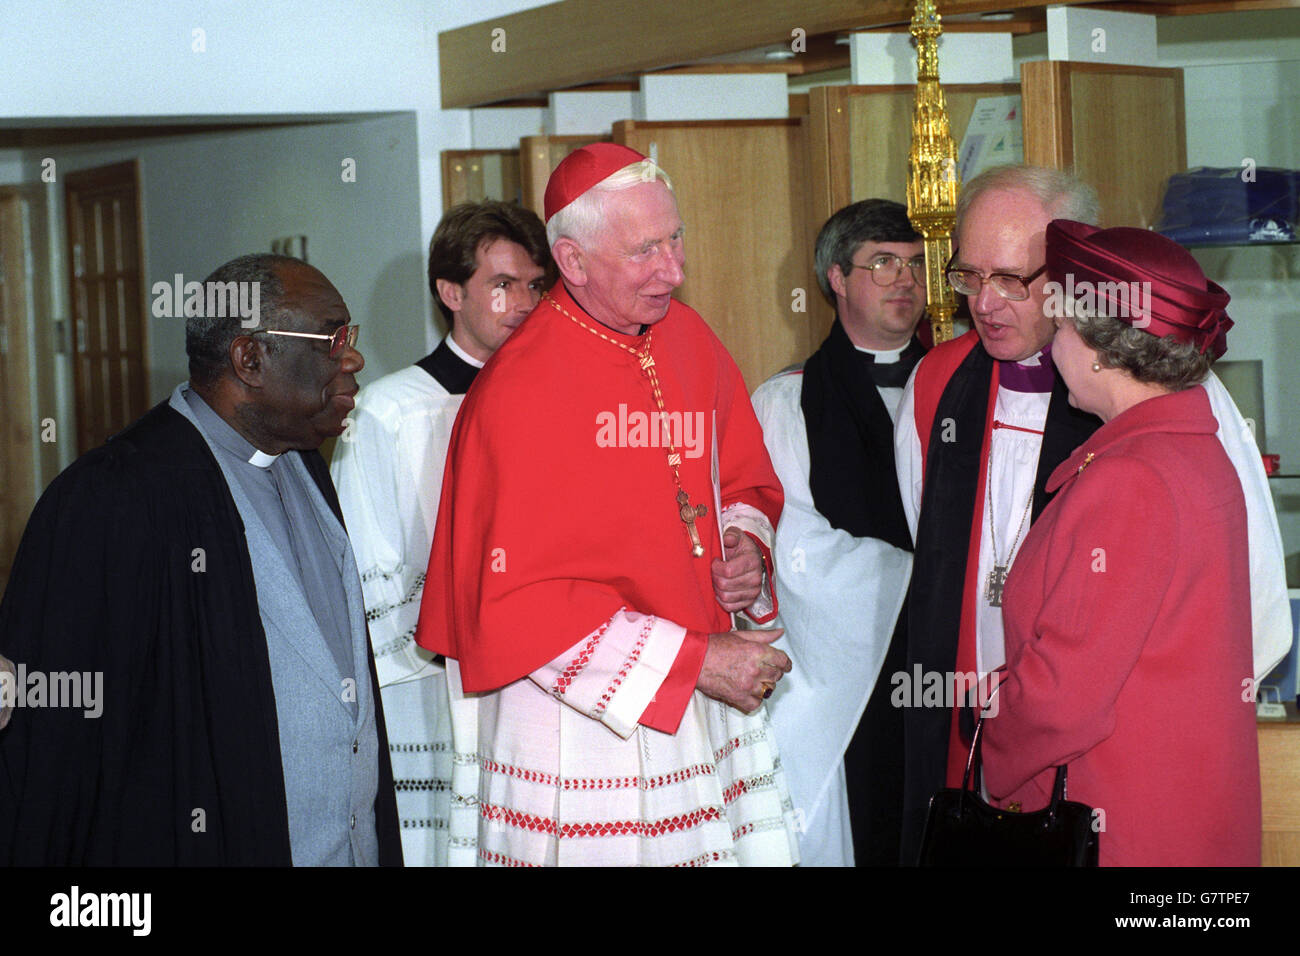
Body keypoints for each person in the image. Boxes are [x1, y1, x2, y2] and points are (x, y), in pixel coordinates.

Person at [416, 142, 799, 867]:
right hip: (578, 728)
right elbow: (518, 604)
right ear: (572, 259)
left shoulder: (688, 337)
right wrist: (692, 663)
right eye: (645, 250)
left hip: (700, 704)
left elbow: (739, 481)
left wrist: (744, 547)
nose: (675, 270)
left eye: (676, 238)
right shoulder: (518, 391)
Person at [894, 163, 1289, 864]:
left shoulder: (1139, 465)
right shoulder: (938, 386)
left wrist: (1005, 742)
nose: (985, 301)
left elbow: (1245, 620)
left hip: (1107, 798)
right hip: (1167, 800)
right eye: (968, 276)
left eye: (1014, 279)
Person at [0, 254, 401, 866]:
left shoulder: (306, 466)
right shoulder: (116, 494)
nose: (351, 358)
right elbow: (60, 748)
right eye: (331, 338)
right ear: (250, 359)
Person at [982, 220, 1260, 865]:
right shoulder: (1190, 450)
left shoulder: (1130, 478)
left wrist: (986, 728)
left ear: (1103, 346)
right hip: (1187, 817)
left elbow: (1064, 695)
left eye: (1063, 330)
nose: (1054, 350)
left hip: (1125, 827)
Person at [330, 201, 552, 866]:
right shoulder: (389, 413)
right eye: (502, 285)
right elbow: (368, 565)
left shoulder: (559, 403)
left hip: (545, 684)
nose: (523, 303)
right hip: (432, 686)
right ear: (450, 292)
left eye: (535, 285)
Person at [751, 199, 924, 866]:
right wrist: (924, 575)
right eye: (882, 263)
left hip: (956, 661)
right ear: (835, 278)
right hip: (850, 666)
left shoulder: (966, 390)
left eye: (913, 264)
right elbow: (793, 555)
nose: (904, 280)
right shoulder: (788, 402)